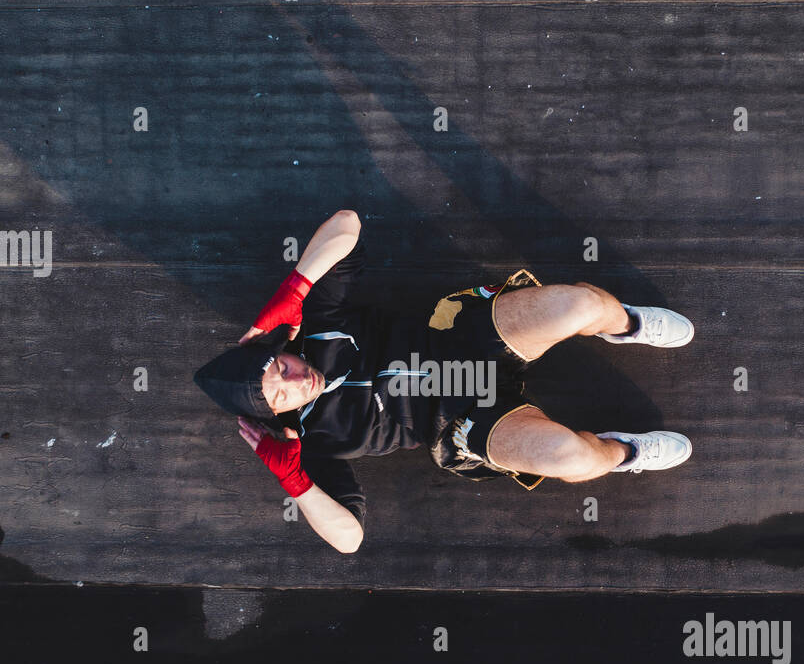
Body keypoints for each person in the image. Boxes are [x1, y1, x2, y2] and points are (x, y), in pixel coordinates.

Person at [194, 210, 694, 553]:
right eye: (279, 395)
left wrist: (296, 285)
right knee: (571, 458)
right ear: (275, 414)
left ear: (279, 350)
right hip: (459, 422)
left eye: (281, 367)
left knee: (580, 305)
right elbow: (349, 540)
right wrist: (294, 481)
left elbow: (347, 224)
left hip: (457, 338)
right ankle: (626, 452)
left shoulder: (317, 320)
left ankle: (626, 324)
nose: (295, 381)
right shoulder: (313, 443)